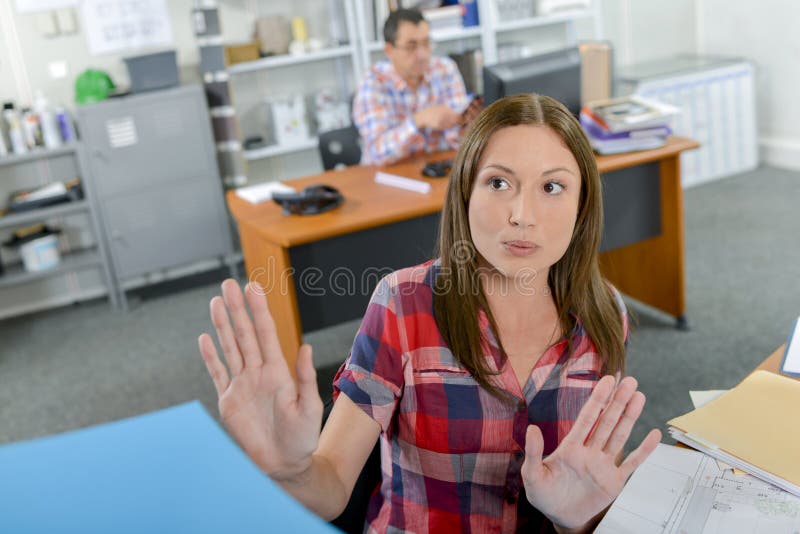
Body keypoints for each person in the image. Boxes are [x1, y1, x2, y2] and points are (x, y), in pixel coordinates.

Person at [198, 93, 662, 533]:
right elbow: (332, 486)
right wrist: (291, 471)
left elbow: (587, 484)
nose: (523, 215)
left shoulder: (604, 312)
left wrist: (574, 522)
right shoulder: (402, 304)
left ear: (582, 207)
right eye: (498, 183)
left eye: (552, 187)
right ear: (465, 192)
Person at [353, 8, 482, 166]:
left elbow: (456, 140)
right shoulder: (373, 83)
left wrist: (467, 124)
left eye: (426, 43)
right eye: (411, 46)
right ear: (389, 50)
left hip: (435, 168)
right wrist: (418, 120)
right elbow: (378, 154)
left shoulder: (445, 69)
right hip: (387, 173)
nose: (422, 55)